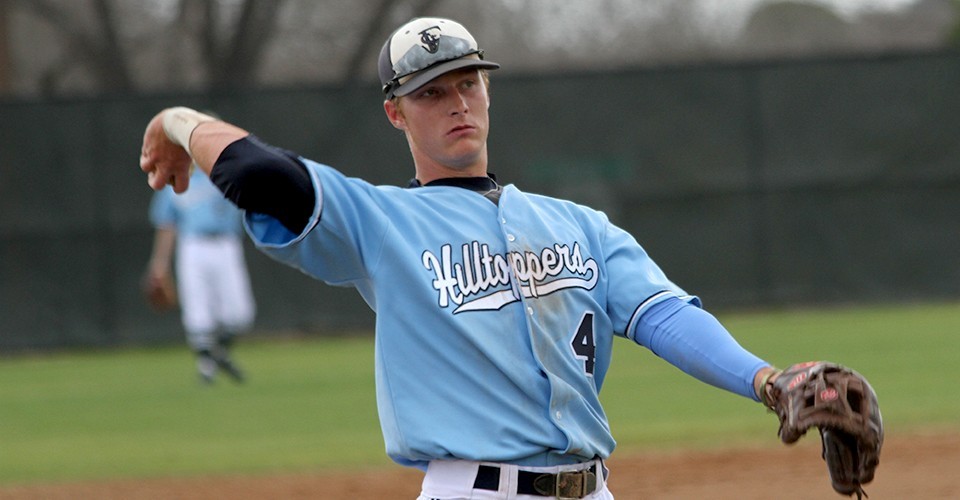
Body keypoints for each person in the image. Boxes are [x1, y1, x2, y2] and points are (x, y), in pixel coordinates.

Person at [139, 17, 879, 499]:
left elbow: (664, 316)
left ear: (489, 92)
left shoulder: (578, 226)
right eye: (432, 93)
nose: (456, 103)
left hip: (593, 489)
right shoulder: (380, 222)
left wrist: (767, 380)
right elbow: (261, 177)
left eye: (467, 83)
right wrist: (179, 121)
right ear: (396, 112)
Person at [144, 161, 256, 384]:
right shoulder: (175, 181)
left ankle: (216, 354)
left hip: (227, 244)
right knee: (198, 311)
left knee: (240, 314)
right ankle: (206, 369)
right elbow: (167, 225)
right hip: (193, 246)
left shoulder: (228, 176)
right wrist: (159, 264)